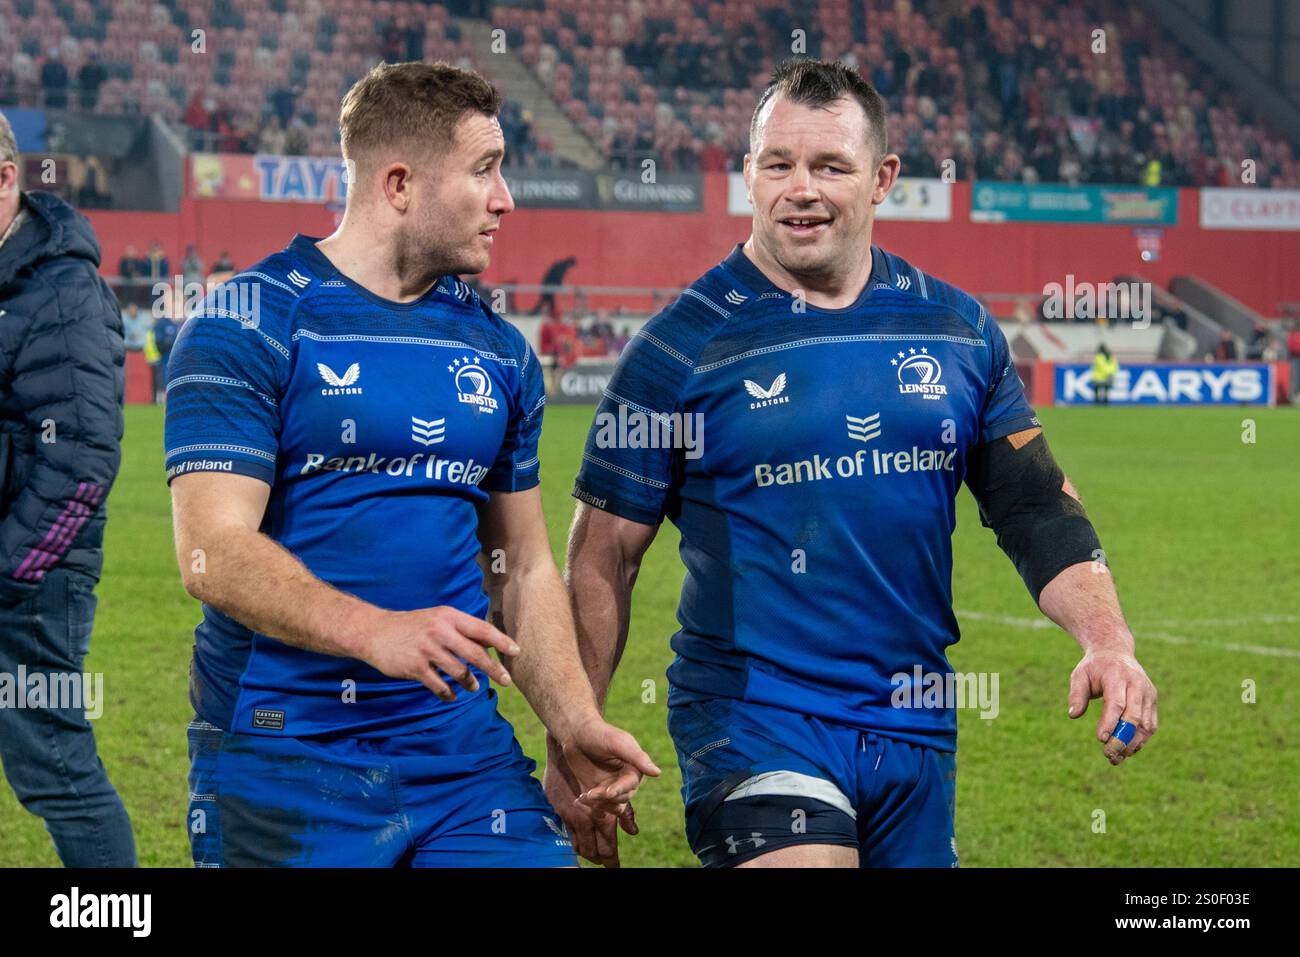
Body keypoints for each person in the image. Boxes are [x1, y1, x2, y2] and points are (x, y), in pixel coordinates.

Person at [557, 59, 1158, 869]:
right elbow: (603, 553)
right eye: (778, 164)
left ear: (882, 179)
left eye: (828, 166)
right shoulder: (678, 346)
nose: (798, 188)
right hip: (753, 715)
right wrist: (575, 728)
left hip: (915, 717)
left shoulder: (956, 328)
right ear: (749, 173)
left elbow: (1035, 505)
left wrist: (1108, 640)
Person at [163, 61, 657, 867]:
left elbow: (524, 566)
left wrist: (573, 721)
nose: (507, 200)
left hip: (462, 758)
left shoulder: (498, 349)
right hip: (282, 752)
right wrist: (375, 631)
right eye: (485, 171)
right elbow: (210, 551)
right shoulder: (249, 322)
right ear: (399, 183)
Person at [0, 109, 135, 866]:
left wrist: (11, 568)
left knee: (56, 771)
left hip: (30, 584)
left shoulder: (61, 290)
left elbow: (81, 460)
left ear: (7, 179)